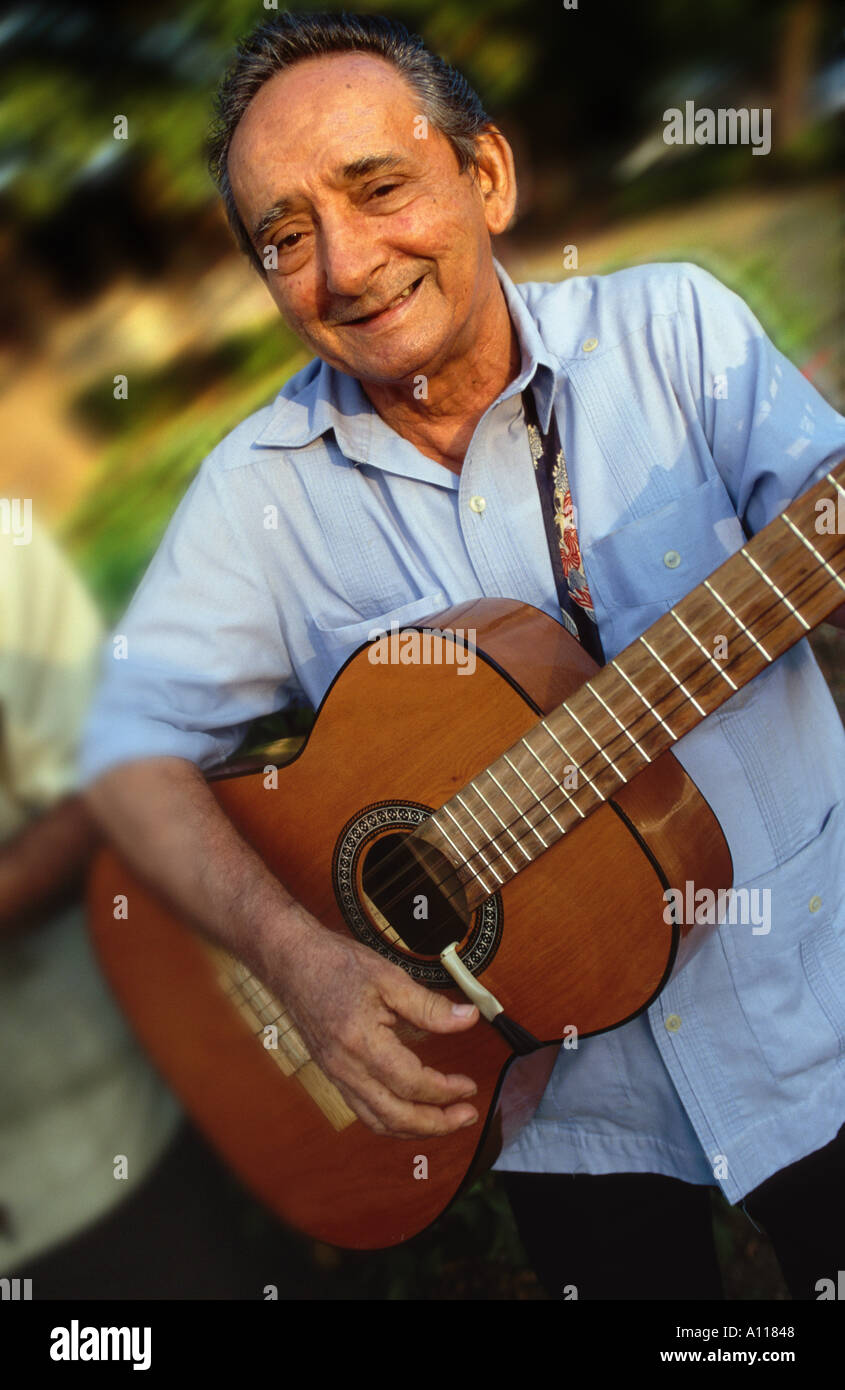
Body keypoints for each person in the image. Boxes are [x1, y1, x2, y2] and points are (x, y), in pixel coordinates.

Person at [79, 12, 845, 1300]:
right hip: (564, 1125)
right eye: (285, 237)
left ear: (484, 177)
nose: (347, 264)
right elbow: (124, 755)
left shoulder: (672, 333)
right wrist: (298, 959)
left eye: (379, 188)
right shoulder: (253, 493)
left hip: (814, 1012)